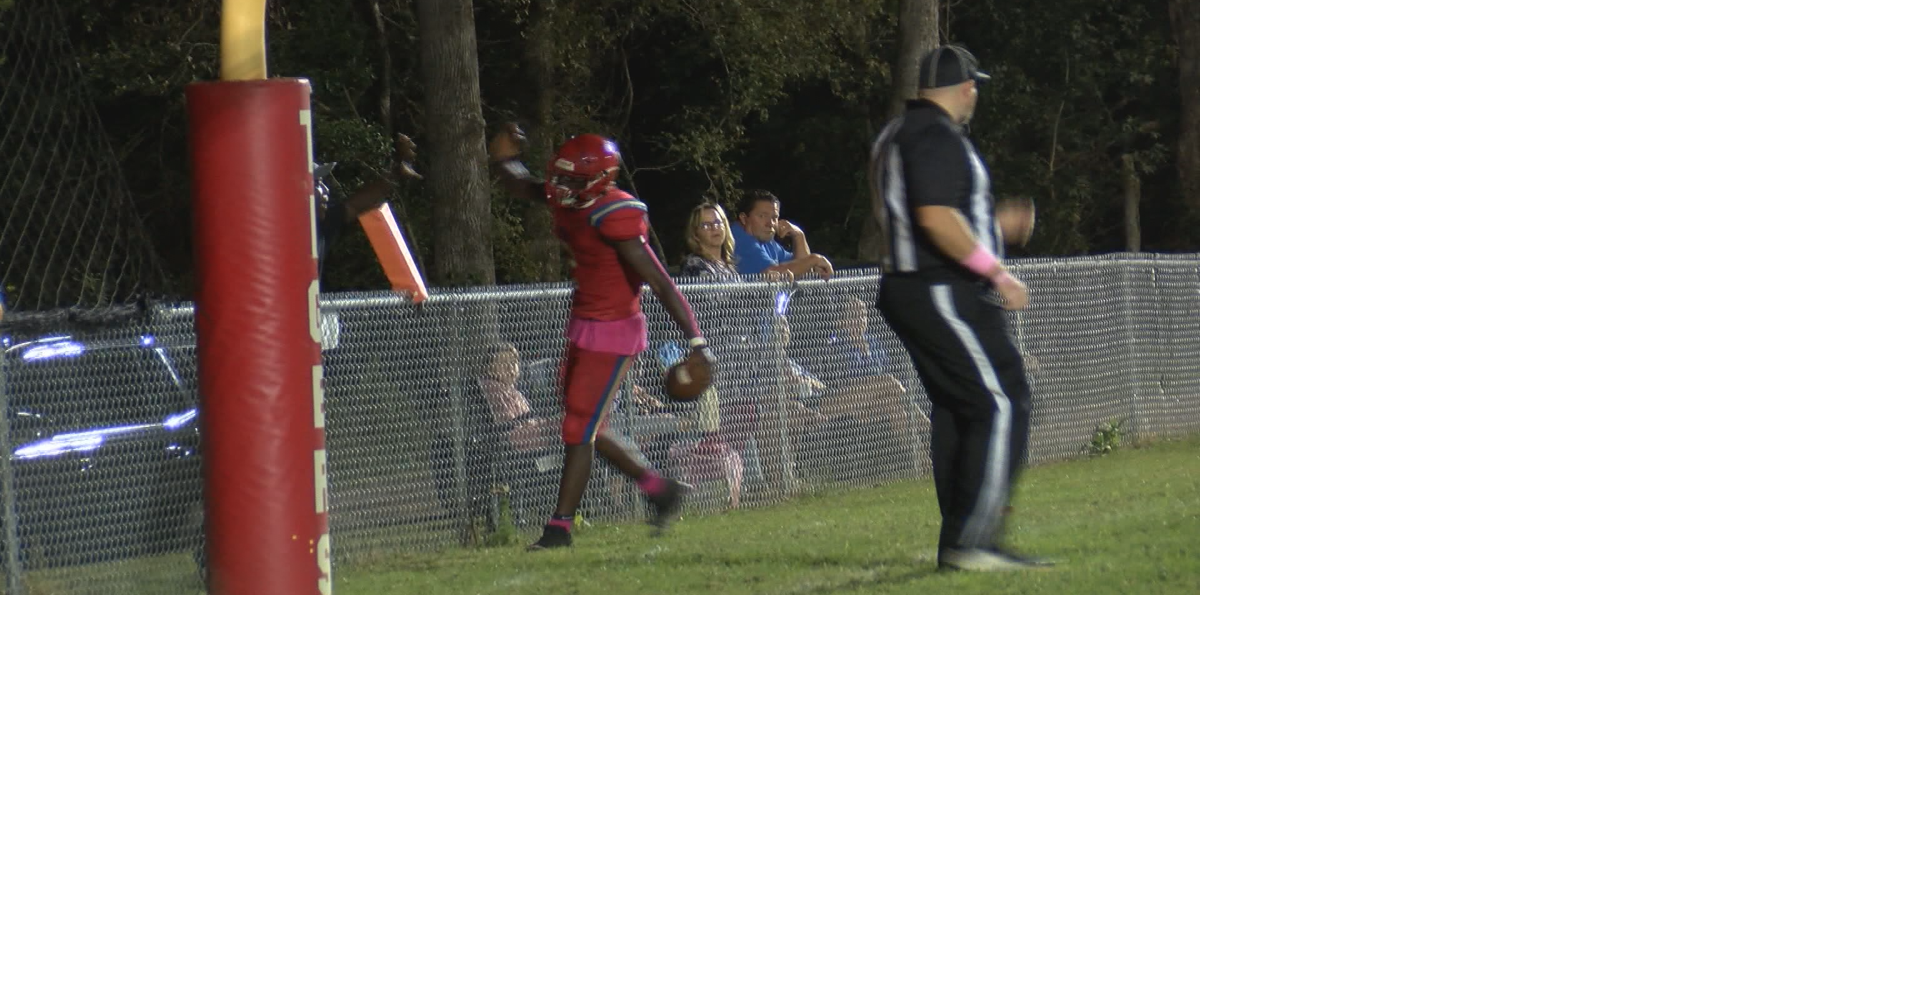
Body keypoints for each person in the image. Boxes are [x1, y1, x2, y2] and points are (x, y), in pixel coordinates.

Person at [868, 44, 1049, 571]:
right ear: (967, 88)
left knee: (960, 408)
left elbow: (912, 215)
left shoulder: (894, 134)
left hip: (912, 284)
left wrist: (993, 229)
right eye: (975, 90)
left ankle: (960, 540)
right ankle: (974, 542)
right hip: (939, 286)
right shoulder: (936, 133)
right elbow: (933, 216)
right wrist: (997, 270)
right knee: (1001, 399)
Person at [487, 123, 701, 549]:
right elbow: (526, 186)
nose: (559, 186)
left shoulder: (614, 213)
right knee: (584, 424)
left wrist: (697, 342)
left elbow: (661, 283)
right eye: (560, 176)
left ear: (599, 182)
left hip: (614, 332)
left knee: (578, 426)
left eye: (571, 179)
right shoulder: (571, 195)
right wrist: (503, 159)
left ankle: (559, 528)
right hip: (584, 324)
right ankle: (660, 490)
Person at [731, 190, 833, 281]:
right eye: (762, 216)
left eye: (774, 217)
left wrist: (798, 236)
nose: (770, 223)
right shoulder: (739, 239)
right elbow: (773, 273)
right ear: (744, 219)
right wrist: (814, 259)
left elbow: (802, 270)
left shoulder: (766, 241)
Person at [680, 202, 742, 279]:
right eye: (706, 225)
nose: (714, 228)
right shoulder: (694, 265)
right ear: (696, 234)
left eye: (718, 222)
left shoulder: (728, 265)